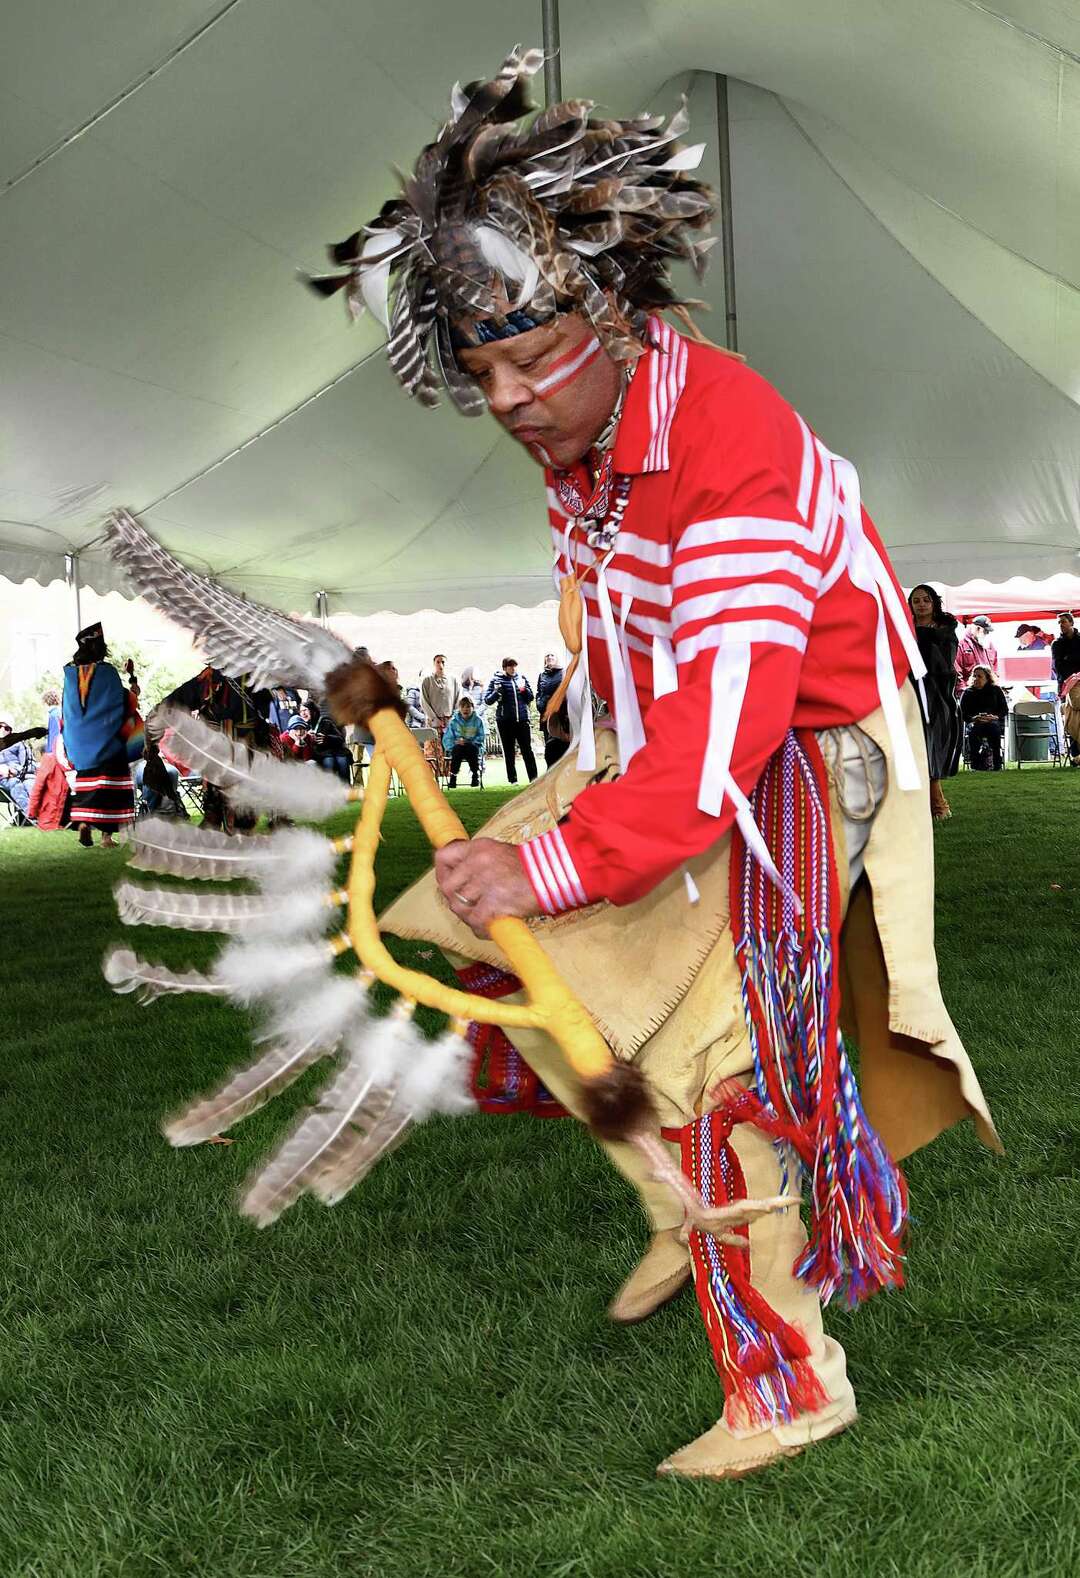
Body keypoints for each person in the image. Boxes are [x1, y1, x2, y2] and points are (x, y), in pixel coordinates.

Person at [315, 47, 997, 1481]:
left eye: (532, 359)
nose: (508, 398)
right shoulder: (590, 441)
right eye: (481, 369)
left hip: (807, 743)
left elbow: (723, 745)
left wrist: (562, 846)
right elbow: (640, 666)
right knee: (490, 931)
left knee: (719, 1053)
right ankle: (663, 1188)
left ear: (615, 319)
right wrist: (566, 823)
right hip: (685, 729)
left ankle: (789, 1377)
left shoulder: (728, 451)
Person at [158, 667, 271, 833]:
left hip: (243, 741)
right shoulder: (213, 676)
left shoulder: (247, 674)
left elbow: (264, 704)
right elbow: (186, 695)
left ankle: (238, 824)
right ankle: (219, 818)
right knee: (217, 788)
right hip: (223, 742)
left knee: (242, 788)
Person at [60, 623, 142, 847]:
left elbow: (67, 709)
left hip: (80, 746)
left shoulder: (69, 673)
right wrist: (134, 689)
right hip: (107, 744)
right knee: (112, 788)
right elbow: (122, 702)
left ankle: (85, 822)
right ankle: (107, 837)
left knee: (88, 785)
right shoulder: (107, 672)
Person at [907, 584, 962, 820]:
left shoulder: (945, 630)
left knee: (932, 745)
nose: (921, 604)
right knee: (913, 747)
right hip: (908, 690)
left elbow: (944, 664)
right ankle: (926, 805)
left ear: (934, 603)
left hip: (936, 695)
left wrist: (926, 642)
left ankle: (939, 803)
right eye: (916, 600)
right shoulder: (904, 628)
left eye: (925, 600)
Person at [485, 658, 537, 784]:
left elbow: (530, 698)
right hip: (505, 721)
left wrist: (523, 689)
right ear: (504, 668)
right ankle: (513, 779)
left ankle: (534, 778)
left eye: (514, 666)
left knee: (527, 750)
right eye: (510, 666)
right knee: (509, 751)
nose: (513, 669)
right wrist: (497, 693)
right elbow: (488, 700)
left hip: (522, 720)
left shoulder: (521, 679)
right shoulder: (496, 680)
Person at [960, 666, 1007, 769]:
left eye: (979, 676)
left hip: (992, 721)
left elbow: (1004, 710)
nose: (976, 678)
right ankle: (975, 764)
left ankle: (997, 763)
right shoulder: (968, 692)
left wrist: (995, 717)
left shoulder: (996, 690)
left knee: (994, 730)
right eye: (974, 676)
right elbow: (962, 713)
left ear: (987, 678)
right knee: (974, 732)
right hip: (975, 722)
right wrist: (974, 718)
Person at [1051, 613, 1080, 765]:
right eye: (1059, 623)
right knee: (1070, 719)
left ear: (1071, 622)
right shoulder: (1057, 644)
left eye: (1063, 622)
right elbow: (1058, 667)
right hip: (1066, 687)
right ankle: (1075, 755)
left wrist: (1069, 659)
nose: (1060, 625)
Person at [300, 699, 351, 781]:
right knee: (329, 761)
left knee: (342, 760)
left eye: (305, 710)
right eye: (301, 711)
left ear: (313, 711)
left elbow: (340, 739)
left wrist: (327, 738)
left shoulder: (325, 722)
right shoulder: (301, 727)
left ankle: (346, 789)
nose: (303, 713)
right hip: (318, 754)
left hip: (334, 751)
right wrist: (307, 738)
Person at [441, 695, 486, 787]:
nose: (465, 709)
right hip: (457, 748)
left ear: (472, 708)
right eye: (463, 706)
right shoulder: (453, 722)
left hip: (473, 747)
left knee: (471, 748)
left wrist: (469, 741)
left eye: (468, 706)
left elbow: (481, 737)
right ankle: (453, 776)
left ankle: (475, 775)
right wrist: (456, 742)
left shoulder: (478, 721)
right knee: (458, 749)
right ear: (459, 708)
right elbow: (447, 738)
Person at [536, 651, 569, 767]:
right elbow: (539, 693)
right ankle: (551, 771)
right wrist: (540, 704)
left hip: (561, 715)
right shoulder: (542, 675)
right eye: (547, 656)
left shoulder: (564, 673)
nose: (549, 657)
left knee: (562, 744)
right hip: (547, 714)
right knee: (549, 747)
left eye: (552, 655)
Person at [0, 715, 36, 819]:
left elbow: (28, 766)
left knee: (31, 785)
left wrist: (15, 770)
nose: (2, 730)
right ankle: (31, 816)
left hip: (21, 776)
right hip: (3, 780)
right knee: (15, 783)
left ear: (11, 730)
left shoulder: (19, 744)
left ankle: (43, 817)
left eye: (6, 728)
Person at [955, 614, 999, 692]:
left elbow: (995, 670)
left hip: (988, 691)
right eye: (986, 631)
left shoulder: (990, 646)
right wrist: (963, 692)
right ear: (977, 628)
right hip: (971, 692)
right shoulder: (961, 645)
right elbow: (957, 671)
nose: (987, 633)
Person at [43, 688, 63, 754]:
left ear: (46, 702)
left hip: (56, 752)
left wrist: (50, 752)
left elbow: (54, 736)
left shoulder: (53, 715)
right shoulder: (60, 712)